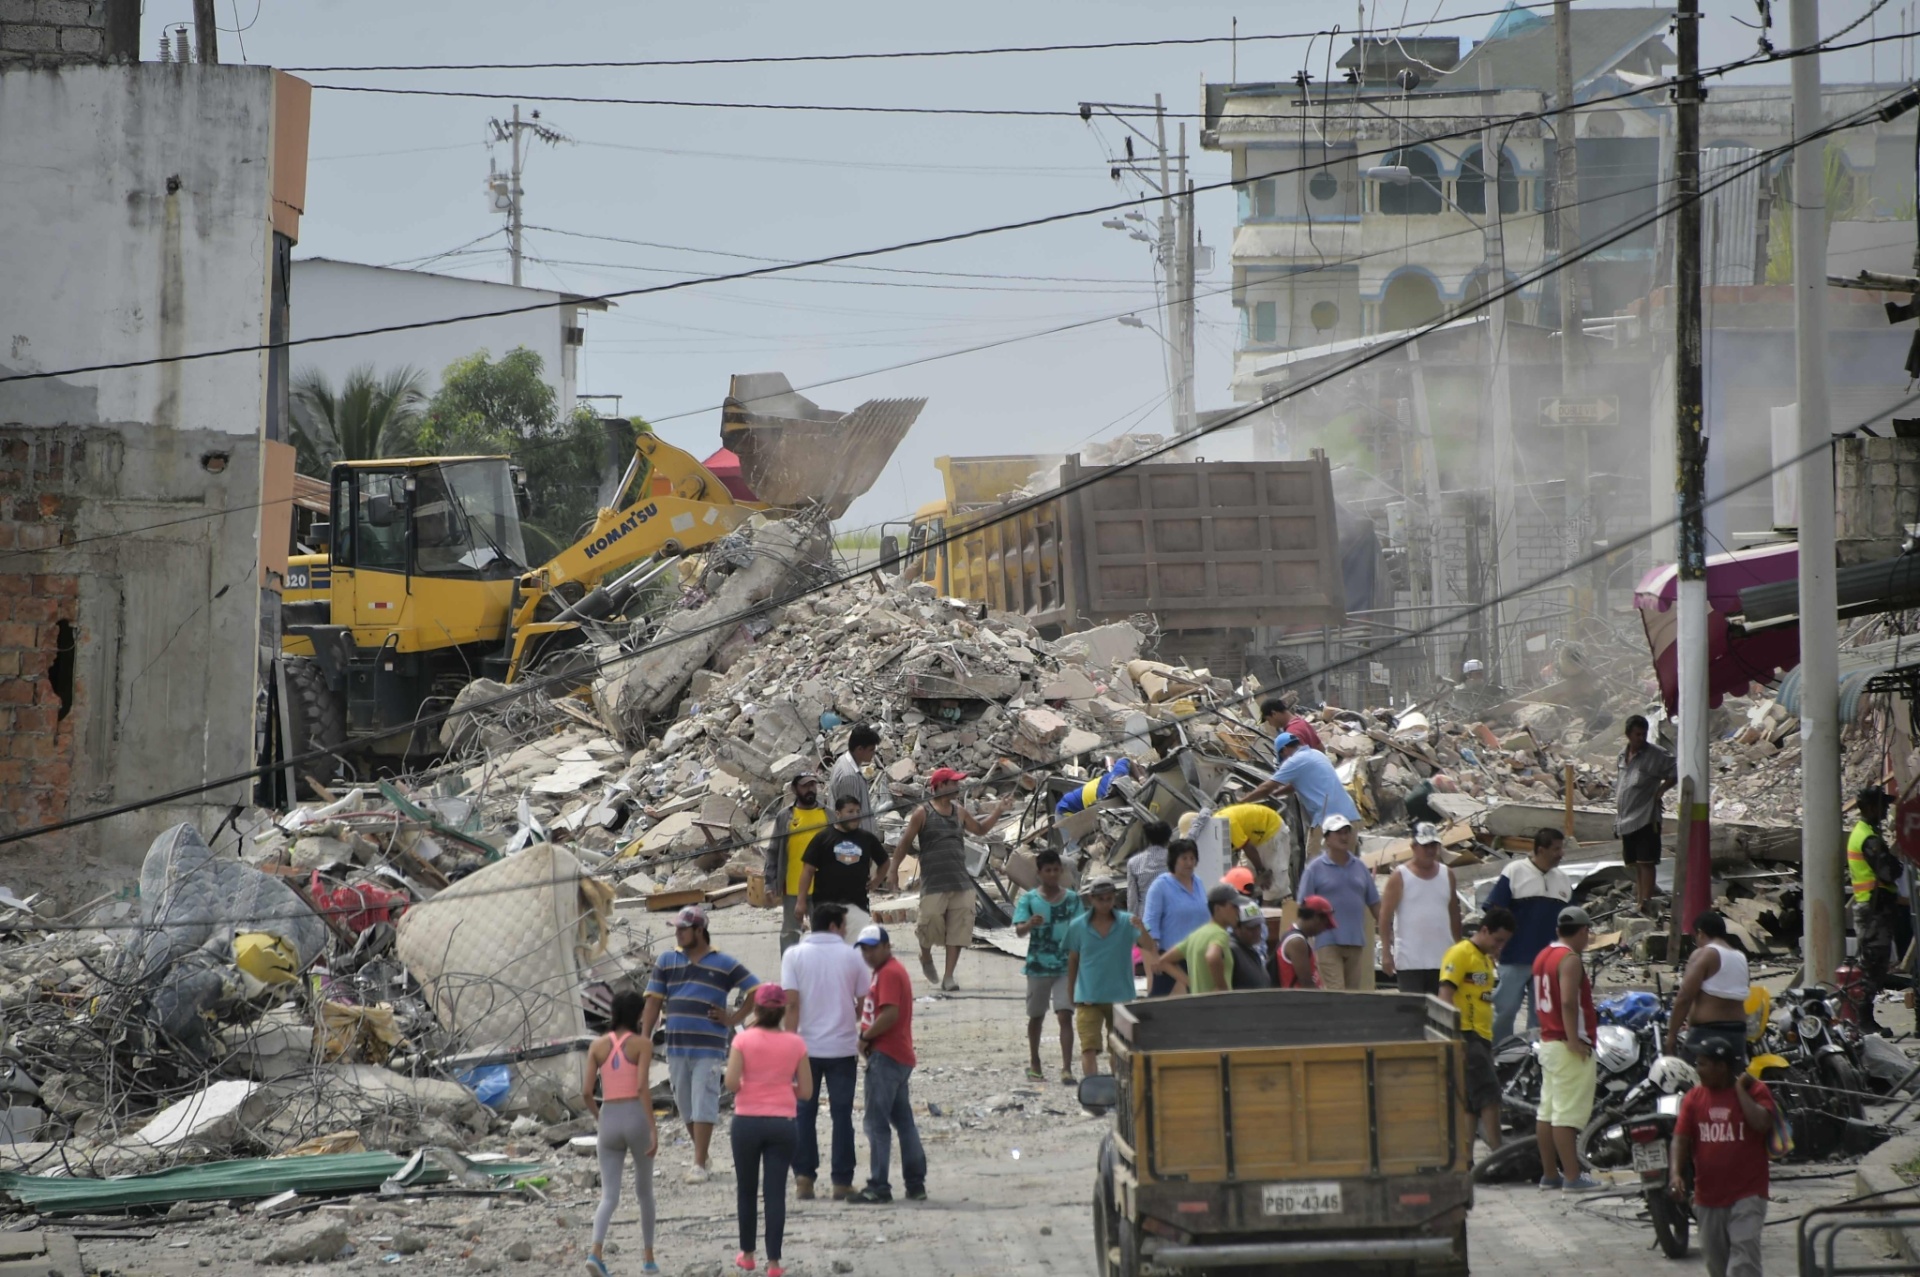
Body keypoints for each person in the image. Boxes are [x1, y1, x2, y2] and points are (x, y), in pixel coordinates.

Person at [640, 905, 760, 1183]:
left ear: (699, 931)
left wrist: (733, 1018)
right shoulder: (667, 961)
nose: (678, 934)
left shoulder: (724, 963)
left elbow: (755, 990)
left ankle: (698, 1164)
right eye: (677, 929)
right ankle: (702, 1153)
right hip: (676, 1045)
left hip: (709, 1046)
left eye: (683, 929)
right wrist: (645, 1037)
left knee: (703, 1099)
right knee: (684, 1104)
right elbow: (653, 1001)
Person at [888, 767, 1012, 992]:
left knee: (959, 928)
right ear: (940, 786)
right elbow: (904, 843)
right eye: (953, 783)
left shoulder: (959, 811)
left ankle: (948, 976)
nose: (957, 787)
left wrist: (999, 810)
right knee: (928, 924)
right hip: (934, 882)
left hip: (960, 881)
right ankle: (925, 956)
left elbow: (980, 830)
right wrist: (893, 870)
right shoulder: (922, 813)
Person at [780, 902, 871, 1203]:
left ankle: (804, 1179)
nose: (846, 931)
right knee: (842, 1115)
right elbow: (864, 1004)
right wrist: (847, 1016)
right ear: (833, 926)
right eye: (844, 925)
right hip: (842, 1048)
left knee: (803, 1114)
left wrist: (788, 1045)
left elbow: (791, 1004)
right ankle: (841, 1182)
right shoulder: (853, 956)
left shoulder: (793, 955)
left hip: (804, 1049)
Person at [724, 985, 813, 1277]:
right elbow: (806, 1091)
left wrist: (753, 1085)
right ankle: (774, 1262)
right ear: (783, 1010)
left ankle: (748, 1254)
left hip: (747, 1122)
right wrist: (781, 1087)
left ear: (757, 1010)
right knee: (775, 1192)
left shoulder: (743, 1040)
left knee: (747, 1189)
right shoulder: (796, 1043)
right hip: (782, 1123)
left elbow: (731, 1083)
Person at [1671, 1035, 1777, 1277]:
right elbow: (1680, 1138)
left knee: (1743, 1261)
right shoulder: (1694, 1098)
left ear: (1721, 1067)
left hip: (1748, 1194)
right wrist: (1675, 1174)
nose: (1697, 1069)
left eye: (1702, 1064)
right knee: (1716, 1264)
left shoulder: (1755, 1090)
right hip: (1708, 1197)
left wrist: (1739, 1090)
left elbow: (1762, 1123)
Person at [847, 925, 927, 1205]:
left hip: (887, 1057)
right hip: (897, 1056)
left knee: (876, 1123)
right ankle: (915, 1183)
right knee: (903, 1122)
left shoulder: (890, 973)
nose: (868, 955)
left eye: (872, 948)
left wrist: (865, 1037)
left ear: (886, 946)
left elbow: (890, 1014)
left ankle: (879, 1185)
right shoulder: (885, 972)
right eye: (864, 950)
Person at [582, 990, 659, 1277]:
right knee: (644, 1192)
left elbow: (586, 1092)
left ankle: (595, 1252)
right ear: (638, 1014)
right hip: (635, 1116)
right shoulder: (643, 1044)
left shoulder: (597, 1045)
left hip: (609, 1118)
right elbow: (641, 1087)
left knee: (609, 1196)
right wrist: (652, 1127)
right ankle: (648, 1259)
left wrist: (600, 1117)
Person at [1533, 906, 1601, 1192]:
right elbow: (1568, 1002)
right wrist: (1574, 1040)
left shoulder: (1543, 955)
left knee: (1547, 1113)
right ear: (1583, 931)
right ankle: (1572, 1177)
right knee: (1566, 1116)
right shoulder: (1569, 959)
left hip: (1548, 1041)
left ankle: (1550, 1174)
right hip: (1566, 1043)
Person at [1439, 906, 1517, 1156]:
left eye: (1504, 942)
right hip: (1466, 1034)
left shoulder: (1484, 958)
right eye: (1497, 940)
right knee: (1490, 1096)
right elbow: (1445, 994)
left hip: (1482, 1036)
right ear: (1484, 930)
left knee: (1471, 1103)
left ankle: (1466, 1159)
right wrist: (1455, 1037)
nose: (1500, 946)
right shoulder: (1460, 953)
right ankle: (1499, 1152)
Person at [1483, 827, 1571, 1043]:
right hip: (1515, 956)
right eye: (1556, 849)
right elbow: (1496, 911)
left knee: (1541, 1016)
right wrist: (1493, 947)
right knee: (1504, 1010)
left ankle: (1534, 1055)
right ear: (1541, 850)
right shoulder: (1514, 871)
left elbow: (1569, 919)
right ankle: (1496, 1052)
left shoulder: (1563, 879)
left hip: (1547, 963)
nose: (1561, 854)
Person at [1064, 876, 1155, 1078]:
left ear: (1114, 898)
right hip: (1088, 997)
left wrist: (1141, 929)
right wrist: (1071, 990)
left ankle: (1117, 1087)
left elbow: (1149, 947)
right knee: (1089, 1047)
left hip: (1120, 997)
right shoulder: (1078, 926)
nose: (1105, 904)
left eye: (1109, 899)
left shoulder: (1127, 922)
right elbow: (1073, 959)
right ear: (1091, 899)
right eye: (1100, 899)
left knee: (1118, 1049)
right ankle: (1093, 1087)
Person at [1012, 848, 1085, 1083]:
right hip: (1038, 965)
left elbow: (1081, 930)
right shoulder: (1029, 900)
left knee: (1065, 1015)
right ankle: (1035, 1062)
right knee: (1036, 1016)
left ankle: (1067, 1068)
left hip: (1065, 966)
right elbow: (1019, 931)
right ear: (1040, 873)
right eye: (1048, 870)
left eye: (1056, 870)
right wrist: (1030, 924)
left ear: (1061, 871)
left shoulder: (1072, 899)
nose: (1052, 874)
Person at [1244, 733, 1362, 875]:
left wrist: (1242, 802)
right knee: (1346, 869)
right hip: (1351, 815)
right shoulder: (1316, 754)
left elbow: (1267, 787)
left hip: (1328, 819)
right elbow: (1296, 784)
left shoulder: (1294, 761)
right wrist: (1275, 795)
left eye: (1282, 757)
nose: (1284, 761)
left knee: (1315, 870)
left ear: (1284, 750)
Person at [1294, 814, 1381, 991]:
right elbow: (1303, 906)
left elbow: (1374, 903)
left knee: (1352, 995)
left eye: (1346, 832)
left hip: (1355, 941)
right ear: (1327, 839)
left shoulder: (1360, 867)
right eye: (1338, 833)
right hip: (1327, 941)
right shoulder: (1314, 869)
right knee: (1337, 991)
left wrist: (1387, 933)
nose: (1344, 837)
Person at [1378, 822, 1462, 994]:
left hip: (1442, 959)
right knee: (1412, 1008)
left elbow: (1454, 913)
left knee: (1441, 1008)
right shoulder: (1400, 876)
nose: (1430, 851)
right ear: (1414, 847)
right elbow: (1385, 917)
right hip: (1410, 961)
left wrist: (1460, 947)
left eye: (1433, 846)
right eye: (1425, 846)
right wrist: (1386, 953)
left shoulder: (1447, 874)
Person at [1848, 787, 1904, 1031]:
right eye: (1882, 805)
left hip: (1874, 908)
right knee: (1872, 967)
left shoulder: (1866, 834)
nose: (1885, 810)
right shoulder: (1868, 839)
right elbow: (1889, 872)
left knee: (1874, 965)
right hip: (1873, 910)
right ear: (1870, 807)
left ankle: (1863, 1019)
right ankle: (1863, 1021)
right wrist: (1895, 862)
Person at [1668, 910, 1753, 1064]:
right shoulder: (1740, 957)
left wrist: (1672, 1034)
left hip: (1708, 1034)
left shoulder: (1704, 954)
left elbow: (1684, 997)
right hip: (1738, 1033)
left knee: (1688, 1076)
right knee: (1732, 1078)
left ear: (1700, 933)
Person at [798, 795, 889, 938]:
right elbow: (807, 871)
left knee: (856, 948)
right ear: (838, 814)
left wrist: (877, 880)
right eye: (850, 811)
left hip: (857, 906)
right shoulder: (823, 838)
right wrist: (801, 901)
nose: (855, 815)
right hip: (825, 907)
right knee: (827, 948)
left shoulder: (867, 838)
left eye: (858, 811)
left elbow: (885, 862)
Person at [1614, 714, 1677, 911]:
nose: (1641, 738)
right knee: (1636, 863)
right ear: (1628, 735)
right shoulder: (1622, 756)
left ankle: (1645, 903)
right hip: (1627, 818)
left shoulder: (1656, 755)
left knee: (1646, 862)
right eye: (1637, 734)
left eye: (1644, 734)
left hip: (1646, 817)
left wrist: (1661, 790)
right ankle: (1640, 901)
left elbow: (1676, 770)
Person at [764, 772, 830, 953]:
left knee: (823, 935)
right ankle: (789, 967)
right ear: (794, 789)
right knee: (790, 934)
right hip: (792, 887)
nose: (810, 789)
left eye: (813, 785)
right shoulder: (785, 817)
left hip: (822, 889)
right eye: (805, 786)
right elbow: (773, 851)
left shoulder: (828, 815)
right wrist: (769, 883)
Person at [1142, 839, 1209, 996]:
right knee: (1160, 999)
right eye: (1184, 858)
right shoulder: (1160, 886)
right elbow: (1150, 924)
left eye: (1192, 858)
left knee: (1199, 998)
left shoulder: (1198, 882)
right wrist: (1154, 956)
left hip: (1198, 954)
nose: (1189, 863)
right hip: (1171, 957)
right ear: (1174, 860)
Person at [1155, 885, 1244, 995]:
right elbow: (1212, 957)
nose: (1238, 911)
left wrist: (1190, 983)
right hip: (1219, 1004)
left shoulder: (1195, 935)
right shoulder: (1219, 933)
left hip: (1199, 1003)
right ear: (1218, 909)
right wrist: (1222, 988)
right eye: (1234, 906)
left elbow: (1163, 961)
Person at [1214, 802, 1287, 902]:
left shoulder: (1227, 824)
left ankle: (1269, 910)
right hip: (1253, 838)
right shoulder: (1211, 830)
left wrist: (1260, 871)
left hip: (1271, 829)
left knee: (1272, 885)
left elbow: (1248, 848)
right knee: (1241, 881)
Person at [829, 725, 882, 838]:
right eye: (871, 750)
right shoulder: (849, 776)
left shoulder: (844, 761)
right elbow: (848, 820)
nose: (873, 754)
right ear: (859, 749)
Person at [1277, 896, 1335, 988]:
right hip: (1297, 997)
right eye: (1325, 924)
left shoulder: (1297, 937)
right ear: (1316, 918)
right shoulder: (1297, 942)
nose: (1324, 930)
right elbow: (1307, 985)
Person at [1054, 758, 1133, 818]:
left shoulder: (1119, 773)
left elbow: (1126, 760)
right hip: (1065, 810)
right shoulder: (1105, 797)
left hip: (1079, 803)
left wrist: (1139, 777)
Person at [1125, 820, 1173, 915]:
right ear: (1168, 839)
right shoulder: (1175, 859)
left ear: (1148, 839)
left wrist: (1132, 919)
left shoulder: (1133, 862)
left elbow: (1132, 898)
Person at [1227, 899, 1275, 989]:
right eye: (1251, 928)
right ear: (1236, 927)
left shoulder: (1251, 948)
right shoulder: (1232, 950)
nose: (1257, 932)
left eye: (1258, 926)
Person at [1258, 695, 1323, 754]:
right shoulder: (1302, 722)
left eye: (1269, 720)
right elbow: (1321, 747)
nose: (1270, 724)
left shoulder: (1291, 734)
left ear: (1274, 714)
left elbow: (1300, 760)